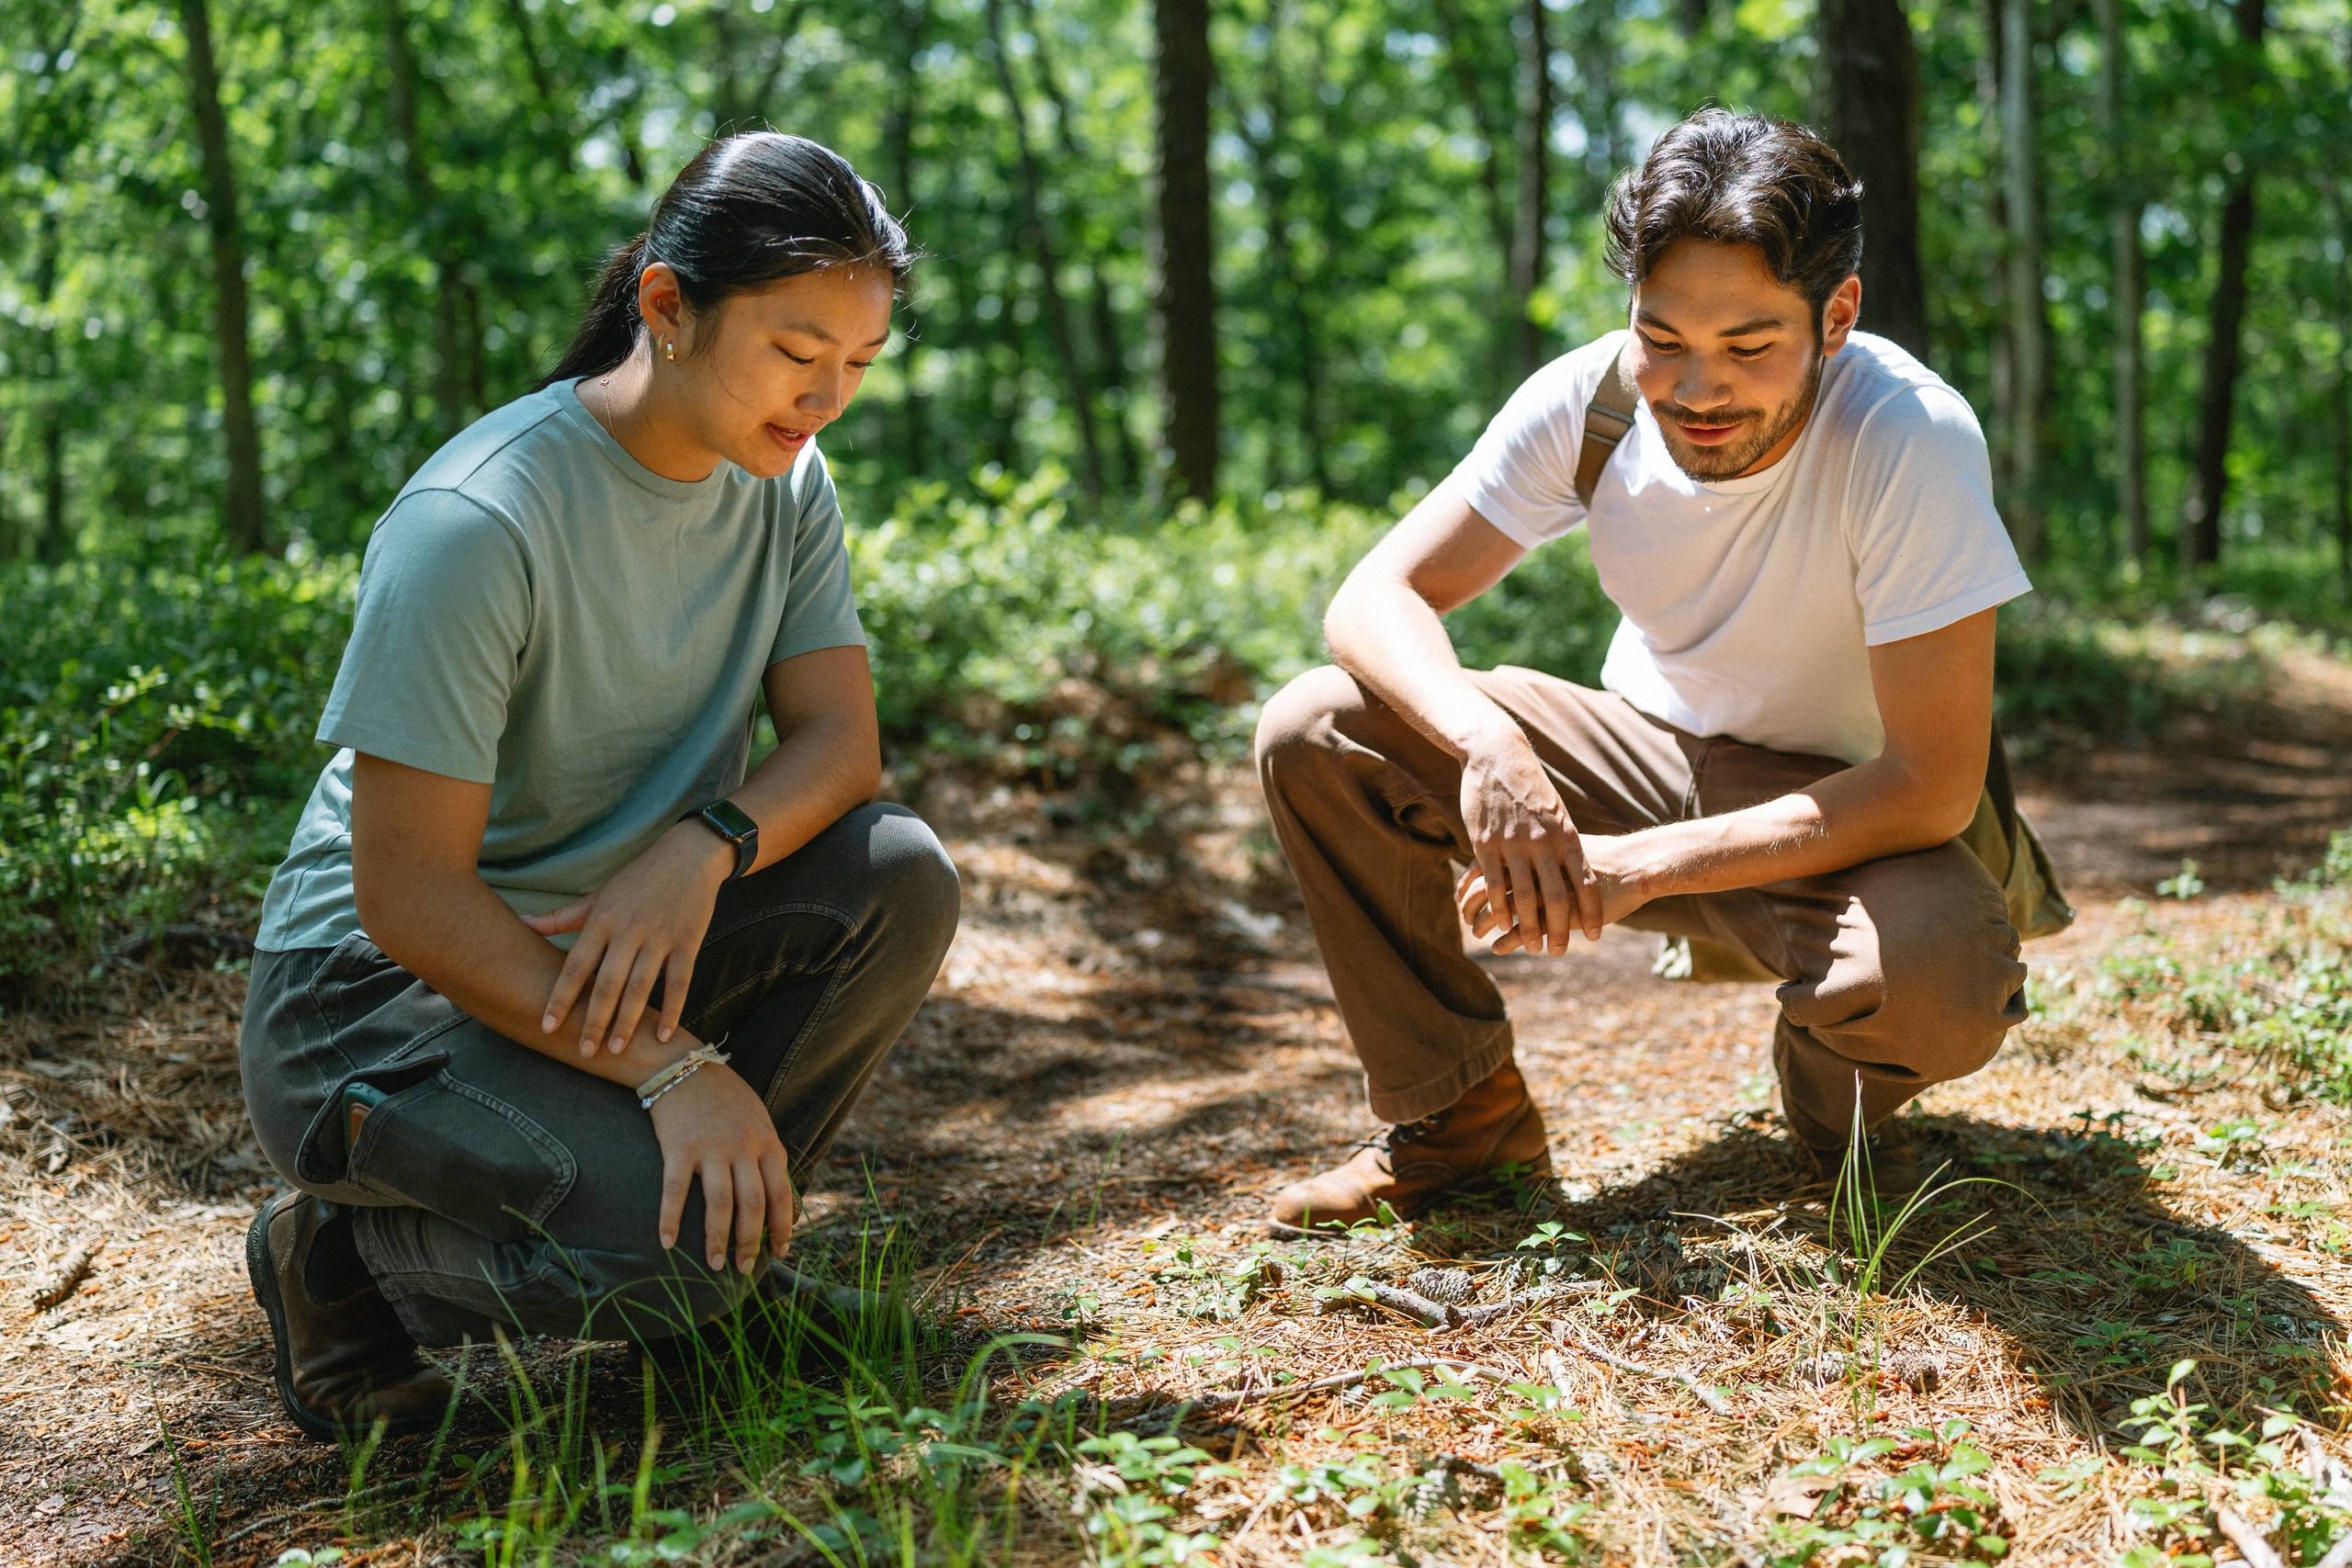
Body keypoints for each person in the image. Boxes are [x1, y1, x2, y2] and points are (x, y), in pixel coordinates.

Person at [237, 131, 960, 1440]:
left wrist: (703, 846)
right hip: (371, 1001)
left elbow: (839, 751)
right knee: (671, 1256)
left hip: (595, 944)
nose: (828, 400)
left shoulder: (787, 481)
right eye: (799, 355)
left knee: (897, 874)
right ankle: (343, 1265)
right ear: (667, 305)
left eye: (858, 363)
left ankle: (713, 1274)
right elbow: (406, 895)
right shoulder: (477, 519)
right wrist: (676, 1070)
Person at [1255, 107, 2071, 1236]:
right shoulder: (1591, 402)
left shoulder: (1907, 434)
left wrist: (1643, 866)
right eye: (1662, 338)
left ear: (1835, 315)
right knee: (1318, 726)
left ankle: (1836, 1097)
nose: (1695, 389)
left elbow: (1931, 782)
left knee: (1935, 978)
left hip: (1853, 811)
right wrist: (1487, 747)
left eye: (1747, 346)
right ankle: (1460, 1123)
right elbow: (1373, 597)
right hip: (1645, 757)